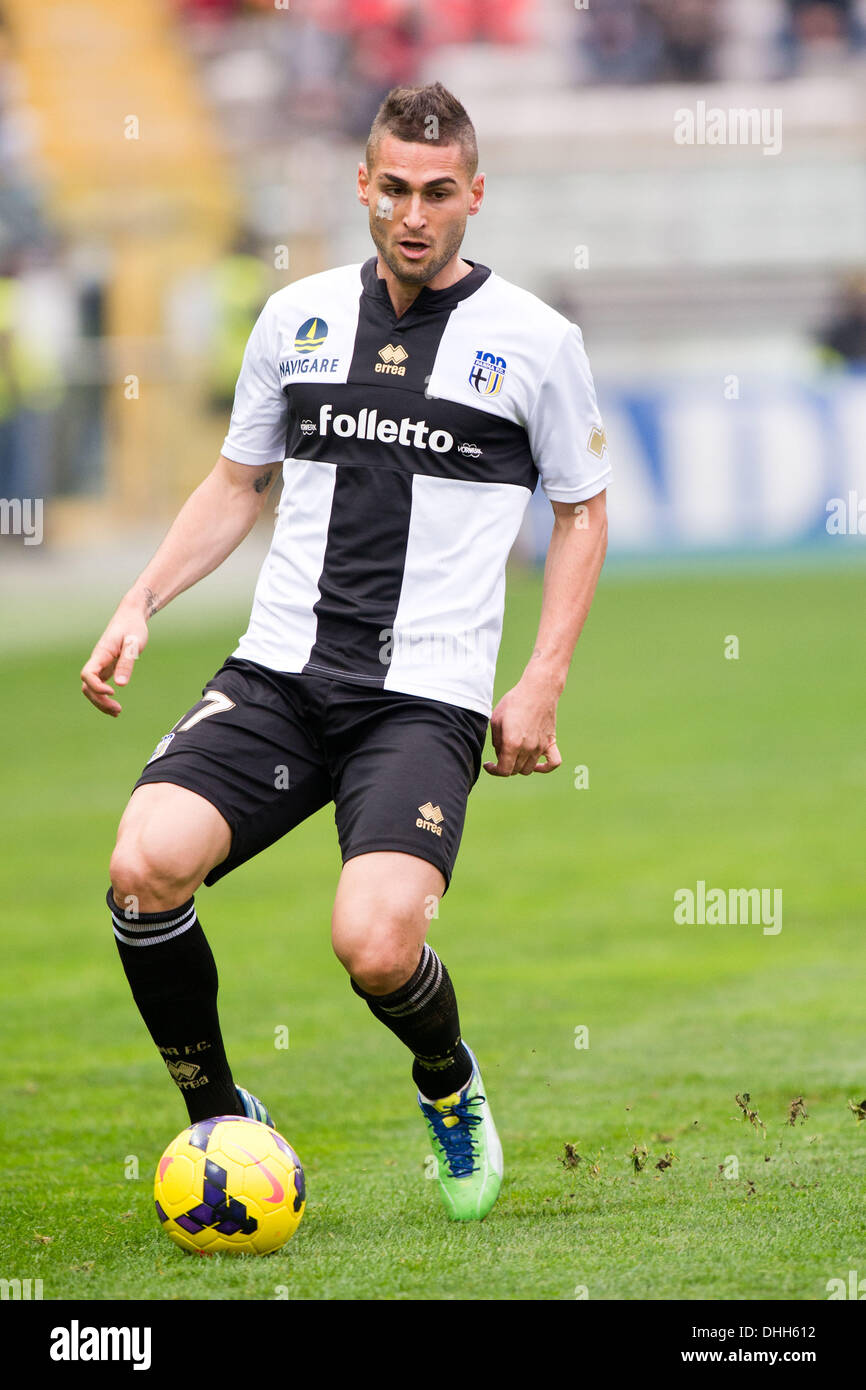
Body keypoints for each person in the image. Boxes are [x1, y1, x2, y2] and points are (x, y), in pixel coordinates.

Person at [80, 81, 610, 1225]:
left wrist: (540, 675)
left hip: (420, 698)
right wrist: (142, 599)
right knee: (143, 864)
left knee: (372, 944)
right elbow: (237, 482)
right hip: (280, 672)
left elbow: (579, 510)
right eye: (393, 191)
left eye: (436, 194)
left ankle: (447, 1081)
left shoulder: (534, 343)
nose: (412, 216)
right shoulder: (297, 318)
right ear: (362, 187)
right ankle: (220, 1114)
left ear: (474, 195)